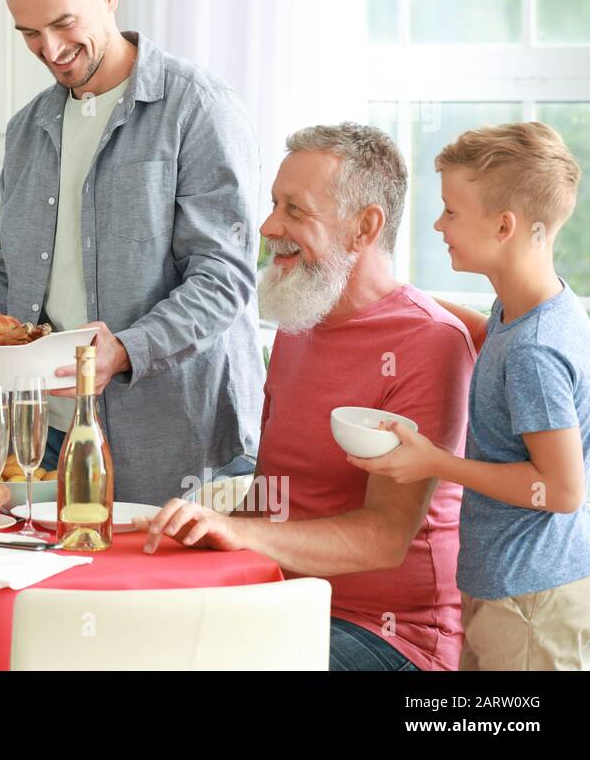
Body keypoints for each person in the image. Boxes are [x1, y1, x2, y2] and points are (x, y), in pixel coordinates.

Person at [0, 0, 262, 501]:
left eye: (63, 23)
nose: (50, 50)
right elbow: (14, 280)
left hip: (176, 438)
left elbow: (223, 277)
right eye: (29, 33)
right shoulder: (27, 131)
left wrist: (126, 349)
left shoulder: (197, 109)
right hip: (46, 436)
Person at [139, 124, 475, 671]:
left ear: (365, 227)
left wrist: (237, 531)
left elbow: (385, 538)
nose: (269, 227)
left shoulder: (428, 342)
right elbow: (274, 494)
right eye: (275, 205)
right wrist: (201, 535)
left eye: (295, 210)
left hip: (386, 635)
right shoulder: (300, 319)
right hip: (277, 601)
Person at [354, 122, 590, 670]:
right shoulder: (530, 307)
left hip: (529, 604)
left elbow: (560, 490)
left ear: (505, 226)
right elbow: (493, 338)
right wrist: (398, 296)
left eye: (451, 211)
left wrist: (434, 462)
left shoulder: (534, 350)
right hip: (516, 588)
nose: (439, 225)